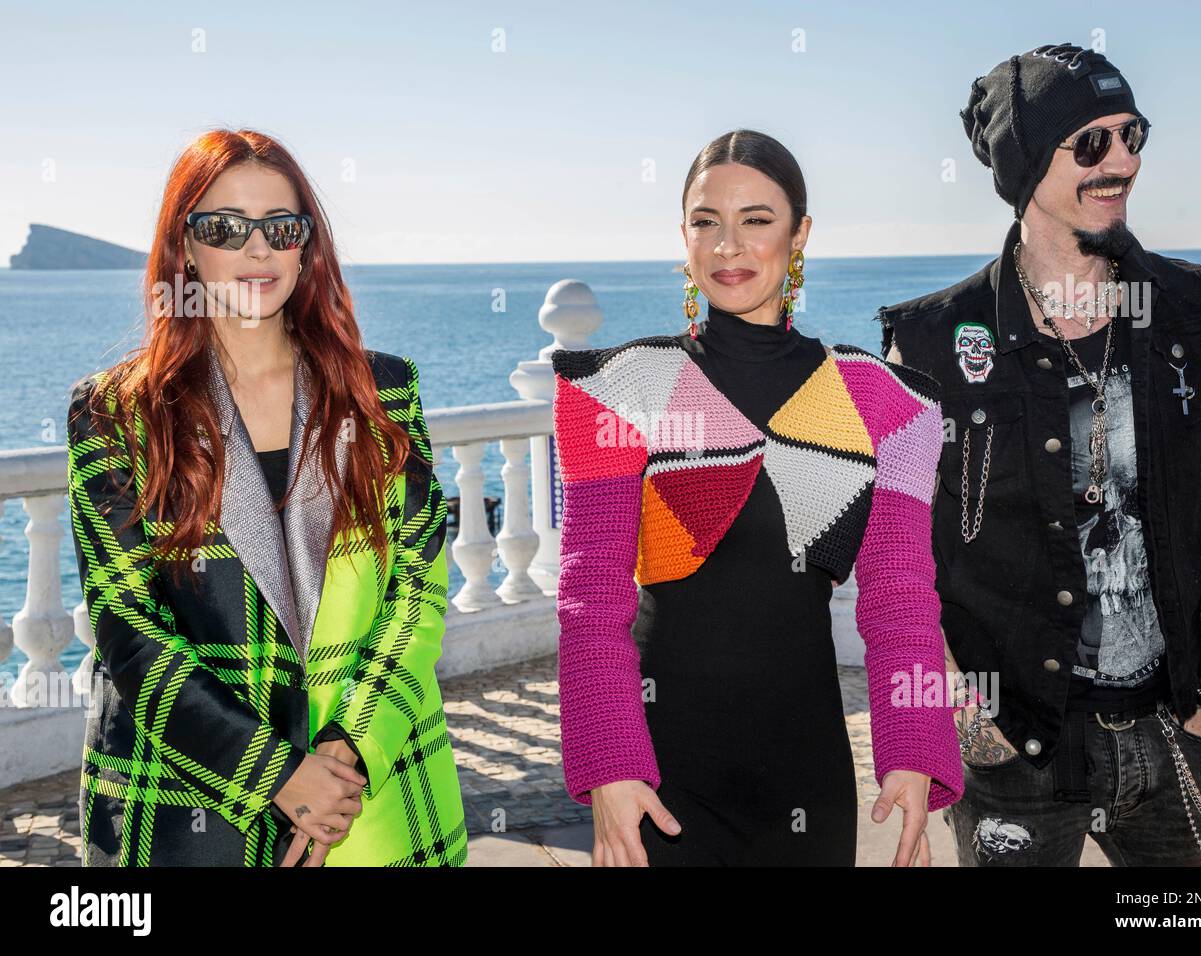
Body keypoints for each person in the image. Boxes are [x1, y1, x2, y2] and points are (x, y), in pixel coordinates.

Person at [877, 44, 1201, 866]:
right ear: (1025, 167)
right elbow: (903, 556)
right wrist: (972, 724)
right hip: (1017, 752)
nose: (1123, 161)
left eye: (1133, 135)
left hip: (1177, 729)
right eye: (1091, 144)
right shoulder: (929, 343)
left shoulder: (1196, 311)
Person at [551, 129, 962, 867]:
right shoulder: (619, 389)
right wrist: (610, 763)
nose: (727, 245)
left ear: (800, 233)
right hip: (659, 773)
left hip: (807, 769)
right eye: (705, 221)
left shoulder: (885, 402)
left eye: (757, 219)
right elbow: (590, 599)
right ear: (683, 237)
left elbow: (902, 599)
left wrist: (914, 747)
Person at [67, 128, 467, 866]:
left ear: (306, 248)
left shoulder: (381, 392)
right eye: (224, 227)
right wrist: (281, 777)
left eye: (280, 228)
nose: (258, 251)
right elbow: (130, 630)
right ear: (183, 247)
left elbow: (418, 589)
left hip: (372, 793)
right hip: (191, 808)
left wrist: (343, 761)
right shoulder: (118, 413)